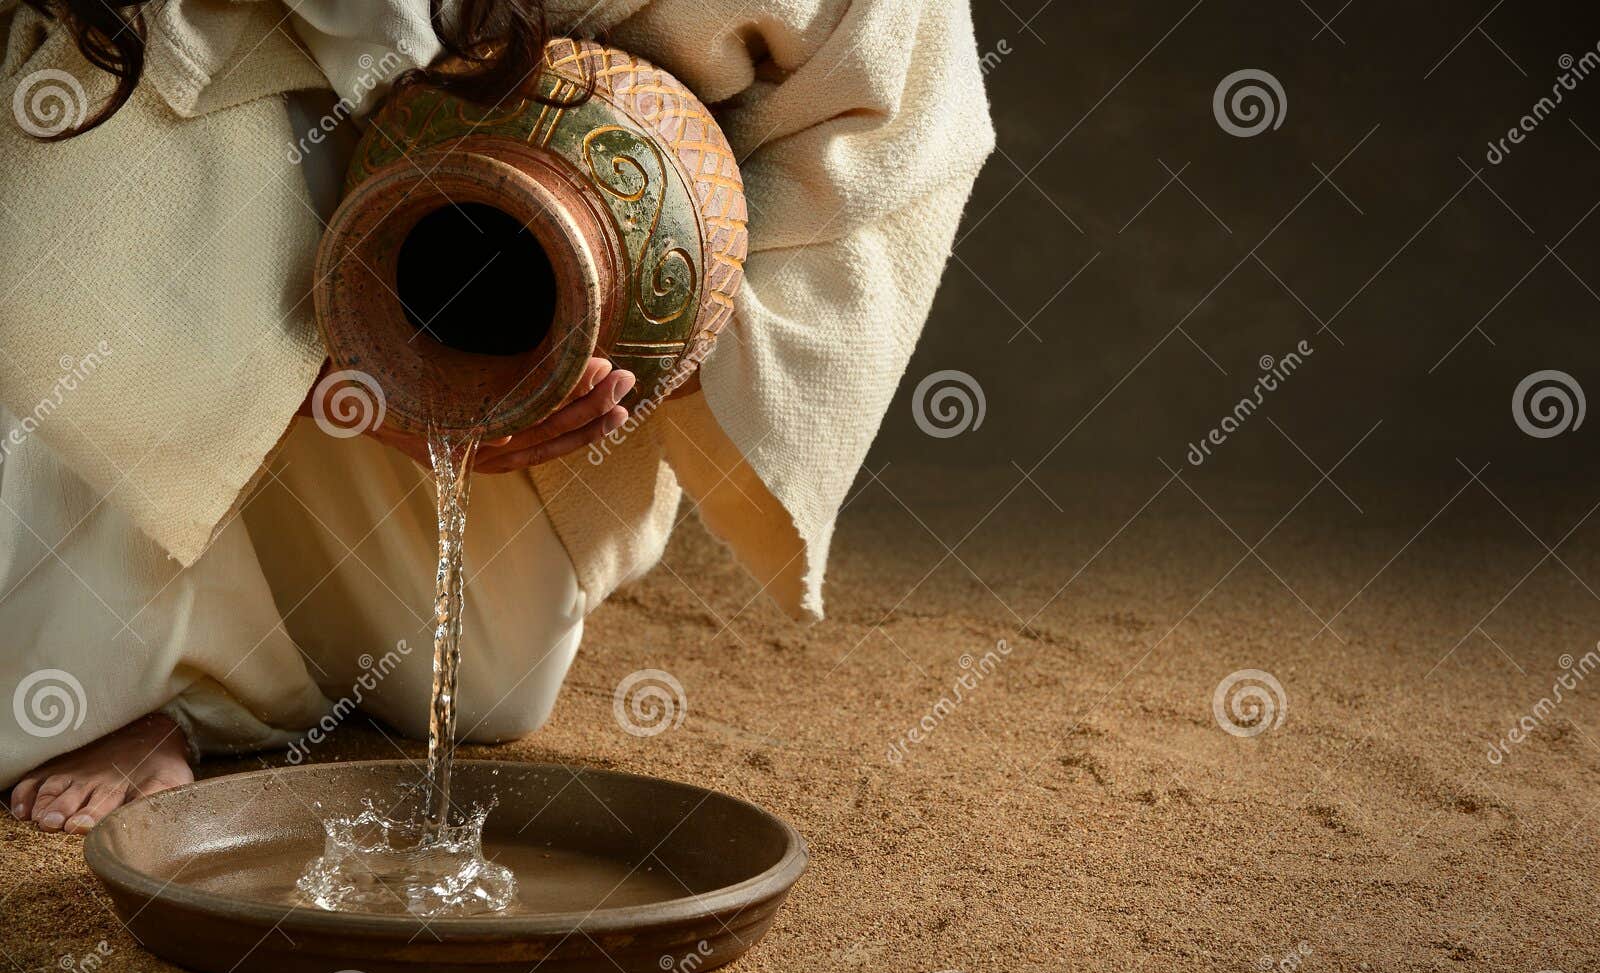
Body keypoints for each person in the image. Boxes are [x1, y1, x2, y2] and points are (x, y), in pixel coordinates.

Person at [0, 0, 994, 833]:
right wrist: (282, 368)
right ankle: (132, 669)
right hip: (179, 157)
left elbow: (892, 106)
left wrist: (665, 330)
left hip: (528, 249)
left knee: (479, 678)